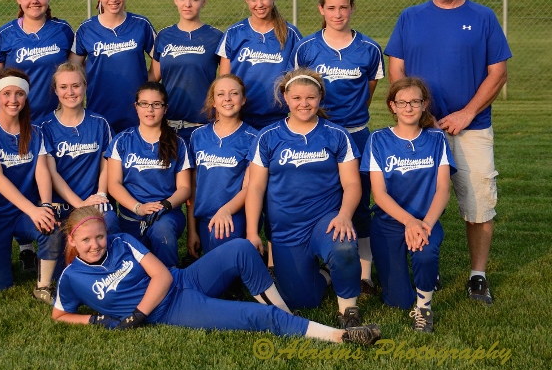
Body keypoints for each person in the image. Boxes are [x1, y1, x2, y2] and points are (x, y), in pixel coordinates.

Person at [52, 207, 381, 345]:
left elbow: (162, 277)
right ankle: (340, 337)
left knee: (239, 247)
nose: (96, 244)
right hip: (173, 309)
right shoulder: (71, 277)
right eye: (86, 240)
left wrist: (138, 314)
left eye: (99, 236)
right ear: (72, 242)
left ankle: (286, 316)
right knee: (257, 316)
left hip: (179, 281)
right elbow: (59, 314)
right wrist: (91, 322)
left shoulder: (122, 241)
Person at [385, 0, 511, 305]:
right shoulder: (410, 17)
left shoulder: (483, 17)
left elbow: (498, 73)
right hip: (422, 130)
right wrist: (416, 115)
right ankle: (428, 268)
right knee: (423, 202)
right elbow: (397, 70)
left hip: (470, 127)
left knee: (478, 203)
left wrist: (467, 113)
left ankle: (477, 275)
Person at [246, 69, 365, 328]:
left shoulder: (336, 134)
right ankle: (324, 275)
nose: (304, 104)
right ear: (285, 98)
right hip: (287, 229)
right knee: (304, 299)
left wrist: (344, 216)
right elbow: (255, 187)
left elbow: (353, 183)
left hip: (327, 219)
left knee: (343, 246)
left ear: (320, 97)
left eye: (310, 98)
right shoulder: (268, 136)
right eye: (297, 98)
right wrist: (252, 232)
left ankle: (348, 311)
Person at [294, 0, 384, 294]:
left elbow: (368, 93)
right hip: (319, 137)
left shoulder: (369, 49)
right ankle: (324, 264)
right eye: (330, 7)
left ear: (352, 8)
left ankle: (364, 273)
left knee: (358, 203)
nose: (337, 13)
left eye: (343, 7)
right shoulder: (306, 48)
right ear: (321, 9)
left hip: (357, 136)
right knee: (322, 199)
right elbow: (300, 91)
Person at [361, 77, 453, 333]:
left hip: (426, 221)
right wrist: (409, 222)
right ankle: (411, 277)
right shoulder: (378, 140)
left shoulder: (436, 139)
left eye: (415, 101)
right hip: (389, 224)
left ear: (424, 105)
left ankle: (424, 306)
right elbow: (379, 194)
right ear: (392, 106)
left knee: (425, 252)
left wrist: (424, 225)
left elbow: (443, 189)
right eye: (402, 102)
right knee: (398, 301)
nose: (409, 107)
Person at [0, 68, 60, 303]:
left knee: (51, 228)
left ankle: (43, 287)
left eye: (19, 94)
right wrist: (33, 209)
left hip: (23, 212)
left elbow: (42, 170)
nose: (13, 100)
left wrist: (46, 206)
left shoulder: (35, 131)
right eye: (7, 93)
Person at [106, 82, 192, 268]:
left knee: (162, 231)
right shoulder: (122, 140)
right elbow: (113, 184)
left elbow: (185, 188)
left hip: (166, 216)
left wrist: (165, 205)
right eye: (144, 104)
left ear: (165, 108)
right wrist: (138, 207)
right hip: (132, 216)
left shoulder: (177, 143)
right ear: (136, 107)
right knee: (135, 268)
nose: (150, 109)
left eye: (156, 104)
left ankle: (172, 279)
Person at [69, 0, 156, 134]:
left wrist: (147, 82)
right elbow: (73, 67)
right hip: (100, 111)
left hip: (137, 112)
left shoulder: (141, 24)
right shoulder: (87, 29)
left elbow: (159, 59)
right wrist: (89, 81)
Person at [39, 62, 120, 236]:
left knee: (110, 222)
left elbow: (106, 164)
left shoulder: (100, 123)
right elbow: (51, 172)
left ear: (85, 87)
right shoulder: (44, 127)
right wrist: (79, 204)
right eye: (63, 87)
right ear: (56, 90)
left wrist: (101, 194)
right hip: (59, 203)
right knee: (61, 253)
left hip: (93, 200)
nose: (70, 92)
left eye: (75, 86)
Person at [217, 0, 302, 129]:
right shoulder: (234, 33)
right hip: (239, 120)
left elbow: (300, 80)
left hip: (278, 121)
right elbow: (224, 82)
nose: (259, 4)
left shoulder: (291, 34)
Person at [187, 74, 258, 258]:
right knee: (210, 266)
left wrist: (226, 211)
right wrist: (191, 230)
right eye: (221, 94)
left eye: (234, 93)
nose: (227, 98)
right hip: (204, 217)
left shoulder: (253, 138)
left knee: (221, 269)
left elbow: (250, 187)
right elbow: (193, 186)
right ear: (213, 101)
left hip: (234, 216)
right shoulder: (198, 136)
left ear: (243, 100)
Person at [150, 0, 223, 142]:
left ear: (204, 1)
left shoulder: (216, 37)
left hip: (203, 127)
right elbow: (152, 79)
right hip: (168, 127)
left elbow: (225, 83)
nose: (187, 4)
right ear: (175, 0)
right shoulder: (164, 36)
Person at [0, 0, 75, 124]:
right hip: (17, 119)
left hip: (57, 119)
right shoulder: (5, 34)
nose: (34, 1)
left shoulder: (63, 30)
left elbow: (74, 73)